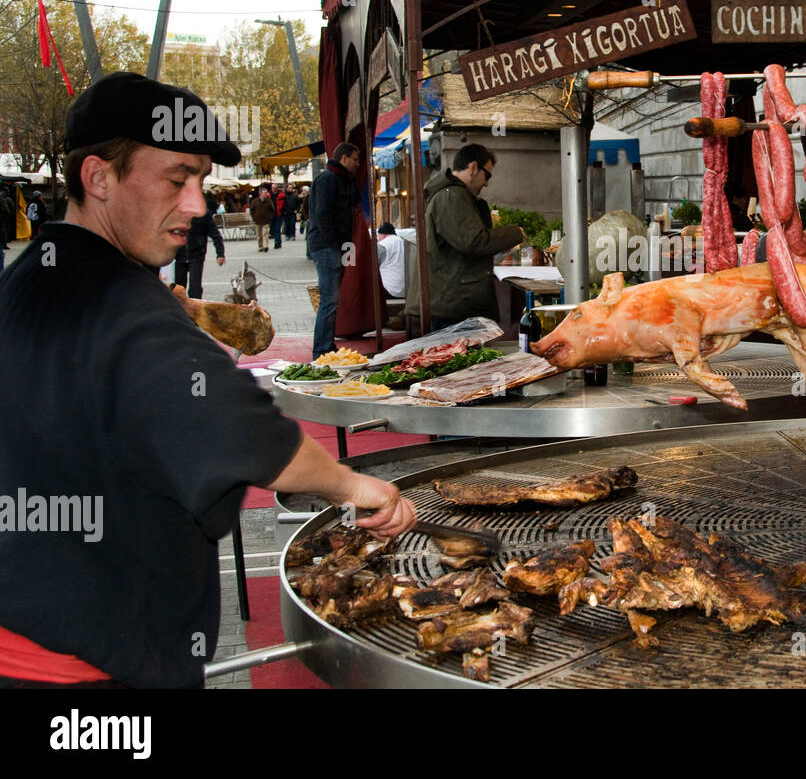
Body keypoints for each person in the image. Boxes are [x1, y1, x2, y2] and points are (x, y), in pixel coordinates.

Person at [0, 71, 414, 688]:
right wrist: (353, 486)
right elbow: (242, 432)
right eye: (176, 179)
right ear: (97, 177)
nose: (197, 205)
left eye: (200, 180)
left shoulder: (34, 272)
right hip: (85, 666)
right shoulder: (122, 303)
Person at [425, 143, 524, 328]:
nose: (486, 183)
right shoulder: (451, 196)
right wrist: (514, 233)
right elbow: (473, 241)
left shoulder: (453, 194)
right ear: (472, 168)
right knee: (460, 354)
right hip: (456, 304)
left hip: (458, 299)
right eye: (487, 175)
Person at [306, 143, 360, 359]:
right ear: (344, 158)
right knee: (329, 298)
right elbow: (322, 214)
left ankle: (326, 345)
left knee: (332, 297)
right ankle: (321, 349)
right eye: (355, 159)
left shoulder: (341, 180)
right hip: (329, 246)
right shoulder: (328, 179)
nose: (357, 164)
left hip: (339, 244)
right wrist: (333, 244)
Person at [174, 194, 226, 299]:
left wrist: (220, 254)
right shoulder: (177, 214)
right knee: (179, 288)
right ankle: (180, 312)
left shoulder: (204, 214)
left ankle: (196, 311)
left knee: (195, 287)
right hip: (180, 254)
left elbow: (215, 234)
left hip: (197, 254)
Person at [376, 221, 416, 299]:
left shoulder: (382, 245)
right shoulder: (405, 243)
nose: (378, 239)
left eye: (378, 236)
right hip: (408, 291)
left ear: (383, 236)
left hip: (390, 291)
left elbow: (371, 267)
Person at [250, 185, 275, 252]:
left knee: (265, 234)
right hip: (257, 220)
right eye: (265, 193)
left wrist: (270, 217)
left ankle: (265, 246)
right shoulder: (255, 201)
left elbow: (272, 210)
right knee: (259, 235)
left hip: (265, 221)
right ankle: (260, 246)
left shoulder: (269, 201)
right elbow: (251, 210)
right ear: (260, 193)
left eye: (266, 193)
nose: (266, 194)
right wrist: (254, 217)